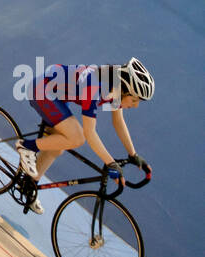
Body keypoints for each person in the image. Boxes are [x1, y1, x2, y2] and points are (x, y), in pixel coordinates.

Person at [15, 59, 153, 215]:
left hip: (56, 94)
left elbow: (118, 122)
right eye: (134, 100)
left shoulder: (114, 85)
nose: (135, 105)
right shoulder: (95, 87)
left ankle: (29, 186)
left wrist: (133, 154)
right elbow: (89, 133)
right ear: (125, 89)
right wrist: (110, 163)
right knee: (77, 138)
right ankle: (26, 146)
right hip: (42, 91)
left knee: (57, 147)